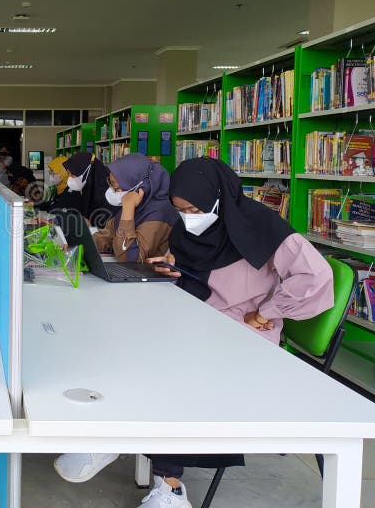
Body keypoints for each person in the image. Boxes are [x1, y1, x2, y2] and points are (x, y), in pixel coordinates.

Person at [141, 158, 333, 507]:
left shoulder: (263, 226)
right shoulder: (191, 228)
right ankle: (110, 442)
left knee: (173, 373)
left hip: (244, 334)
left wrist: (268, 310)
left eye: (195, 209)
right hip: (199, 321)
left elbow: (317, 278)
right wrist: (170, 265)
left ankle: (169, 485)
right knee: (143, 348)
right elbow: (187, 259)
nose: (188, 218)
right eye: (180, 210)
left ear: (218, 198)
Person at [93, 153, 178, 262]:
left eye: (118, 188)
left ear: (140, 187)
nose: (114, 193)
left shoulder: (159, 214)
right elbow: (106, 237)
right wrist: (80, 246)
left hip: (148, 275)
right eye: (113, 186)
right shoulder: (141, 205)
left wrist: (128, 208)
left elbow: (129, 259)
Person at [52, 152, 114, 228]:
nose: (70, 177)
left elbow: (107, 231)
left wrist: (91, 227)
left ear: (86, 172)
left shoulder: (108, 195)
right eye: (69, 174)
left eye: (73, 174)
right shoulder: (87, 188)